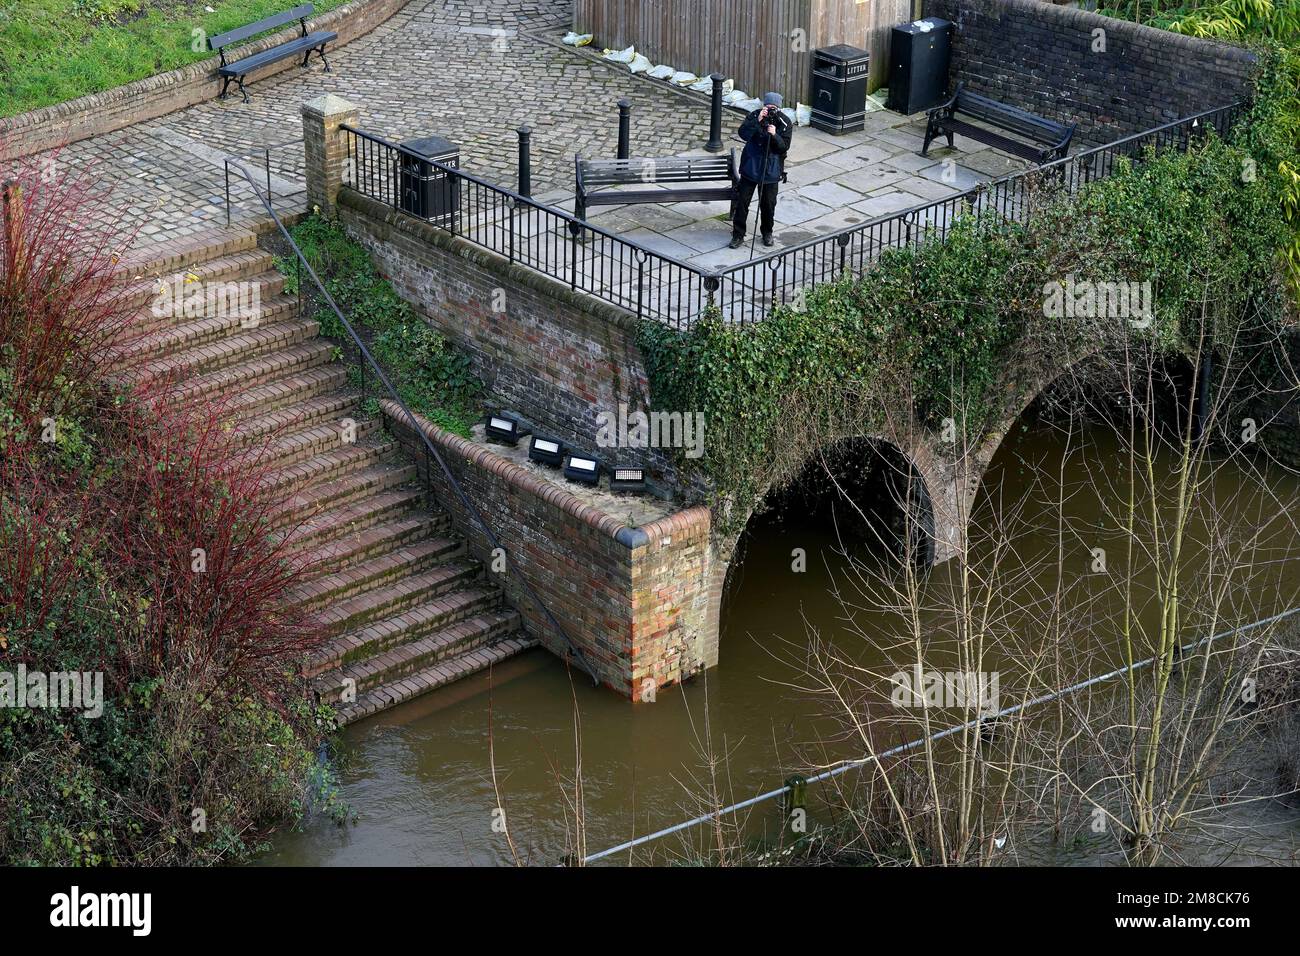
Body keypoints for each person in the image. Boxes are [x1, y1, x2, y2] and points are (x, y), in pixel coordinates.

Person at [730, 91, 793, 249]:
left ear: (779, 108)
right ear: (763, 106)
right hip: (751, 167)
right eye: (768, 107)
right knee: (742, 202)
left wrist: (774, 135)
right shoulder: (754, 116)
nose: (770, 111)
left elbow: (783, 147)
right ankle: (738, 234)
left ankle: (767, 232)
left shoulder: (784, 122)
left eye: (773, 108)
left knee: (768, 204)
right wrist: (758, 122)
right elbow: (743, 134)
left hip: (771, 170)